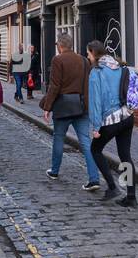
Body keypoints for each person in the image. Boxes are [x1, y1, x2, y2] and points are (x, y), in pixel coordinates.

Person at [41, 34, 101, 191]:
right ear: (71, 45)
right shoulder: (84, 60)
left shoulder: (57, 60)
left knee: (59, 138)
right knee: (86, 142)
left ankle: (54, 171)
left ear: (59, 46)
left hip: (63, 106)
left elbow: (54, 86)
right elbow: (88, 84)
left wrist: (47, 107)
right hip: (81, 106)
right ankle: (94, 178)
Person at [86, 40, 137, 206]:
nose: (87, 57)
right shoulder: (120, 66)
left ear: (93, 53)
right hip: (127, 117)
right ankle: (131, 197)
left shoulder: (96, 72)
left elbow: (96, 102)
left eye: (88, 54)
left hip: (111, 119)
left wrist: (95, 127)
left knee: (95, 149)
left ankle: (112, 187)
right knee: (125, 155)